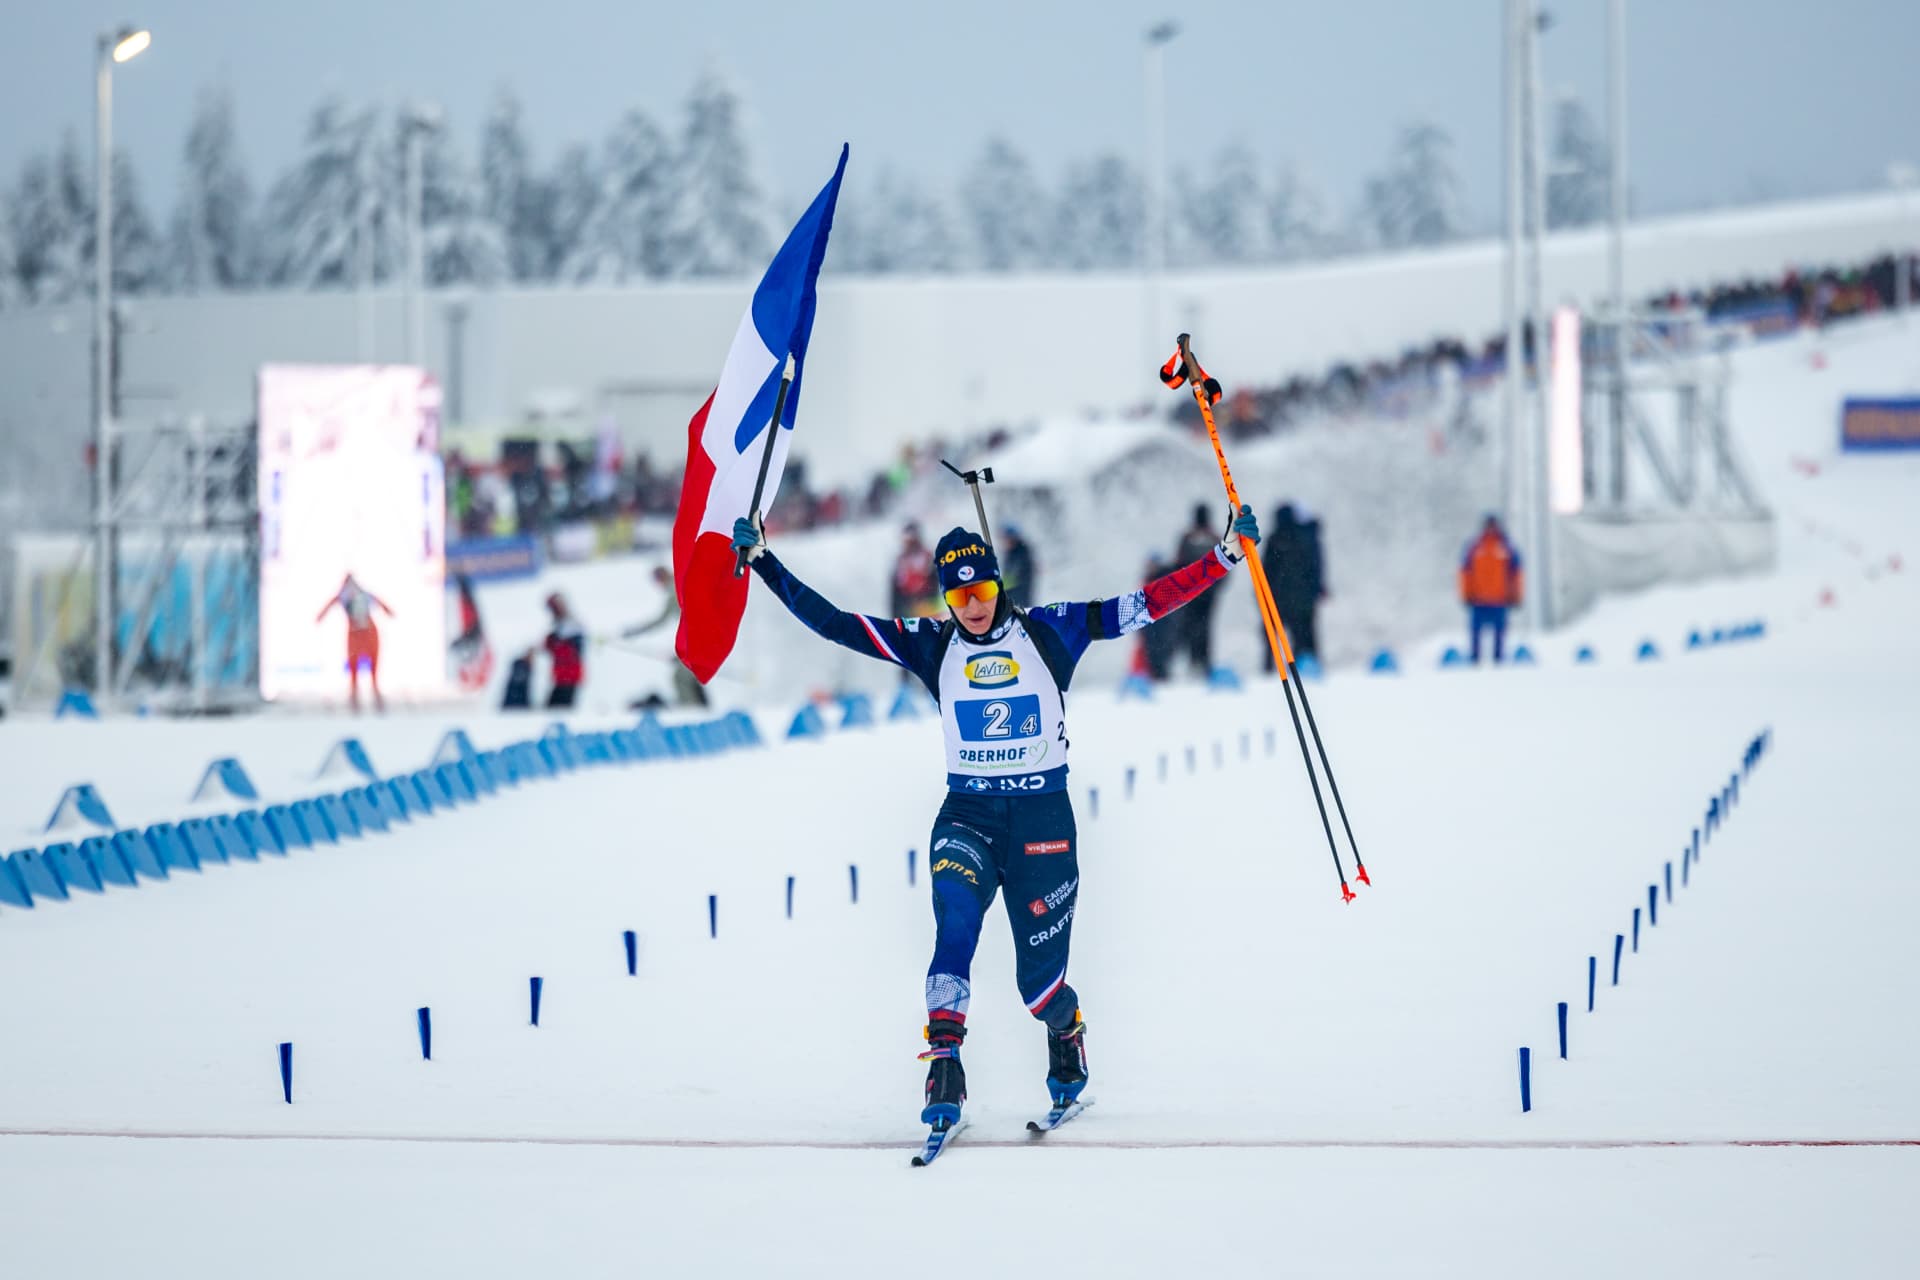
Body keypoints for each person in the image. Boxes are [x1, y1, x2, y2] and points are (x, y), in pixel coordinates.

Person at [731, 503, 1261, 1132]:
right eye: (959, 596)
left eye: (982, 590)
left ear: (998, 585)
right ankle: (945, 1065)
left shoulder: (1050, 631)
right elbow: (835, 625)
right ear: (945, 598)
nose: (973, 606)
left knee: (1038, 990)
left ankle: (1067, 1031)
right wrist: (765, 562)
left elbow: (1143, 605)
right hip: (970, 814)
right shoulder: (929, 643)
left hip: (1042, 823)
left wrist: (1223, 558)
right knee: (953, 929)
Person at [621, 565, 707, 708]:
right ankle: (700, 707)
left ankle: (692, 710)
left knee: (680, 678)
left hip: (698, 642)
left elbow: (660, 621)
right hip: (697, 641)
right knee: (689, 676)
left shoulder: (676, 591)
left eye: (657, 580)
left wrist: (634, 631)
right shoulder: (678, 587)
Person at [315, 573, 394, 713]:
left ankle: (378, 704)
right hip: (354, 636)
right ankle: (355, 704)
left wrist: (388, 611)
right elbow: (328, 606)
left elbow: (381, 604)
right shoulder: (343, 596)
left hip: (369, 634)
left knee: (374, 671)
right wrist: (320, 616)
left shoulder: (364, 595)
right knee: (353, 671)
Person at [1261, 504, 1327, 670]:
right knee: (1304, 634)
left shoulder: (1275, 539)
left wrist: (1262, 594)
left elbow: (1266, 570)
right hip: (1303, 598)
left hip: (1278, 598)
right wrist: (1317, 588)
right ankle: (1306, 666)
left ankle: (1270, 667)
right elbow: (1314, 566)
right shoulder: (1304, 538)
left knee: (1272, 634)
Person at [1460, 515, 1524, 663]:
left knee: (1500, 632)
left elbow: (1516, 573)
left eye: (1493, 526)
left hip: (1500, 598)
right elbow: (1465, 573)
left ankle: (1498, 660)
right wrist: (1466, 593)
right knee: (1475, 631)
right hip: (1478, 599)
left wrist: (1516, 594)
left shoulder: (1506, 547)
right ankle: (1474, 659)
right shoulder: (1474, 547)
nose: (1490, 529)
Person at [1174, 504, 1223, 676]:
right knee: (1205, 626)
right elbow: (1225, 564)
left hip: (1191, 590)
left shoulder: (1188, 537)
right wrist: (1216, 585)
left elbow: (1178, 564)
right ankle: (1203, 661)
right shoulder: (1215, 538)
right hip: (1209, 590)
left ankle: (1195, 661)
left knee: (1192, 625)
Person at [541, 592, 586, 708]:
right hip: (562, 675)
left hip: (569, 675)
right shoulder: (559, 625)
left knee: (559, 708)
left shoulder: (571, 625)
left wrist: (553, 641)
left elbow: (565, 649)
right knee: (555, 707)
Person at [1000, 523, 1036, 606]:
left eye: (1006, 538)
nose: (1004, 541)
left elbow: (1012, 576)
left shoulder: (1020, 553)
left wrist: (1000, 588)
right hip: (1015, 594)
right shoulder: (1012, 552)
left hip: (1020, 595)